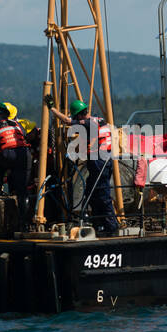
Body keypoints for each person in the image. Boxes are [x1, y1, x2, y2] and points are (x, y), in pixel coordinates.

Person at [48, 97, 119, 235]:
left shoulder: (88, 123)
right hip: (104, 161)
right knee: (91, 194)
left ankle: (111, 228)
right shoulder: (99, 120)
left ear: (80, 115)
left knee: (102, 195)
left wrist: (52, 109)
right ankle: (99, 225)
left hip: (99, 161)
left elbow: (68, 121)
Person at [0, 102, 32, 228]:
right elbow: (24, 136)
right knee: (22, 191)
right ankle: (24, 223)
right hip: (24, 154)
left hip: (6, 155)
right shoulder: (17, 124)